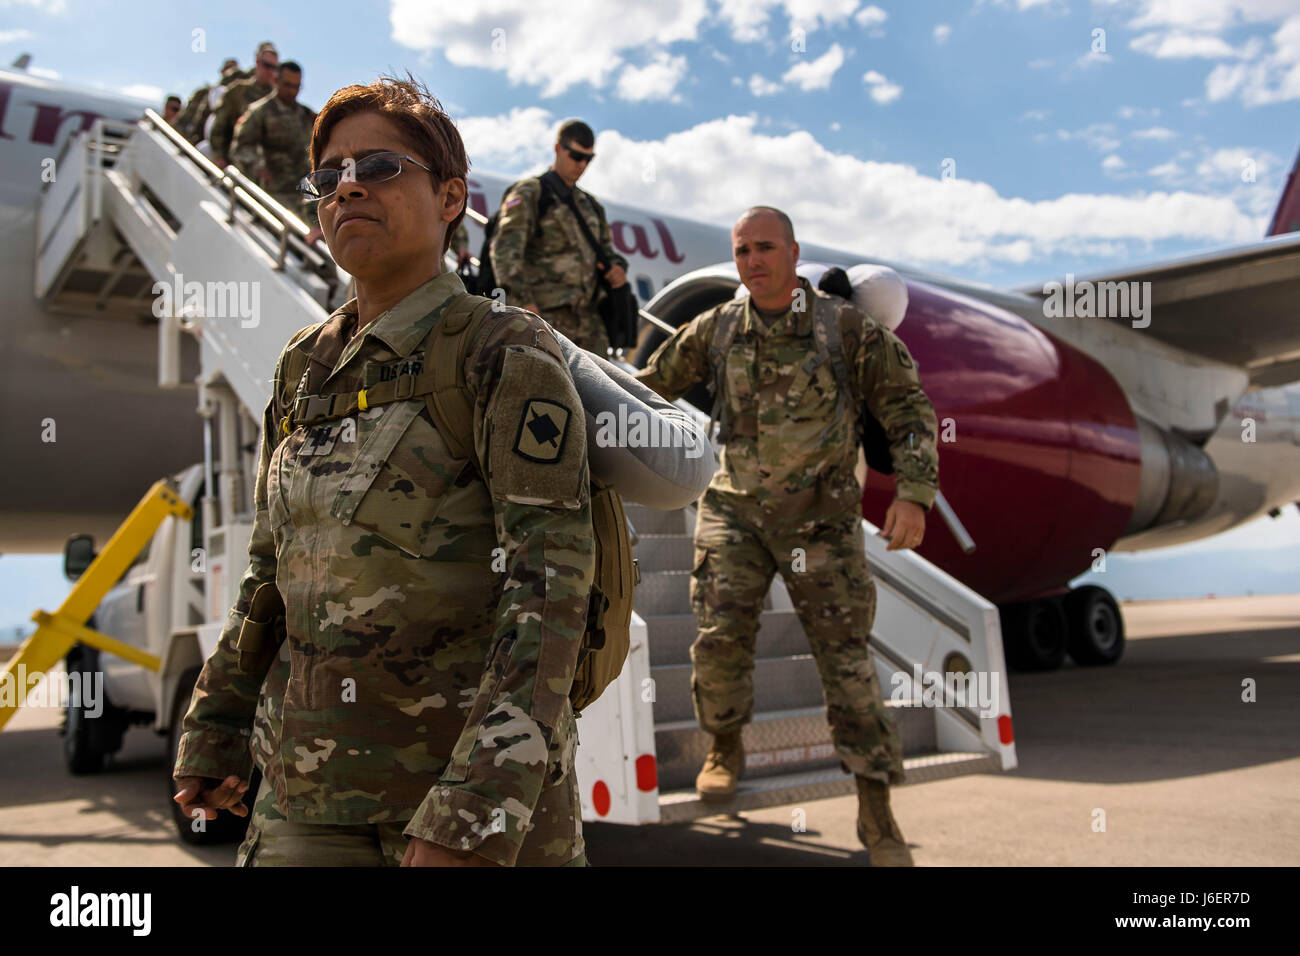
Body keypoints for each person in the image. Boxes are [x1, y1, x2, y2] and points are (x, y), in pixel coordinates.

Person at [172, 75, 594, 867]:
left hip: (457, 801)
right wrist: (216, 723)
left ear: (451, 199)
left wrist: (474, 806)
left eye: (381, 167)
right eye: (329, 177)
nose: (348, 187)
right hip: (304, 798)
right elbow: (270, 571)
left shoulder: (502, 351)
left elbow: (549, 588)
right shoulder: (305, 364)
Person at [634, 206, 939, 866]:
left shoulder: (846, 329)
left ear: (794, 253)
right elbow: (647, 387)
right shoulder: (715, 330)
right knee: (717, 640)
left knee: (848, 664)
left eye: (765, 248)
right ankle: (724, 741)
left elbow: (907, 406)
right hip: (736, 511)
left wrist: (915, 492)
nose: (753, 261)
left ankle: (876, 805)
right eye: (743, 250)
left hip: (821, 517)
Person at [489, 119, 627, 354]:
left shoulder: (591, 206)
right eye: (576, 156)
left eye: (588, 158)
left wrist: (618, 267)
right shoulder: (531, 193)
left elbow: (607, 252)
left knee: (596, 391)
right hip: (545, 316)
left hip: (590, 324)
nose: (582, 164)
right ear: (558, 149)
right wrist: (523, 304)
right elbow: (504, 251)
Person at [231, 61, 316, 218]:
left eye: (296, 86)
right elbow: (242, 148)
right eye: (288, 85)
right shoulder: (260, 112)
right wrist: (258, 167)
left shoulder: (307, 115)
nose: (292, 91)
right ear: (276, 81)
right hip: (275, 193)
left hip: (307, 193)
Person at [208, 42, 278, 167]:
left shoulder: (278, 101)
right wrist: (219, 157)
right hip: (233, 163)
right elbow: (219, 127)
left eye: (275, 67)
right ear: (257, 63)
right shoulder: (237, 91)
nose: (270, 71)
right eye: (267, 65)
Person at [175, 58, 243, 145]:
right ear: (222, 71)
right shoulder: (203, 93)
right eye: (228, 68)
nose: (231, 72)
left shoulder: (237, 99)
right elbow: (186, 118)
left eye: (235, 70)